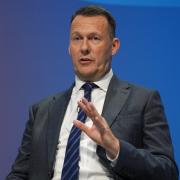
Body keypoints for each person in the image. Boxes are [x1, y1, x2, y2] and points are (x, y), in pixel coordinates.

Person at [6, 5, 179, 180]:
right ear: (69, 48)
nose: (84, 47)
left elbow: (168, 172)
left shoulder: (143, 100)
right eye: (77, 38)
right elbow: (19, 174)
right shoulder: (41, 110)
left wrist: (116, 148)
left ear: (114, 46)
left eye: (94, 38)